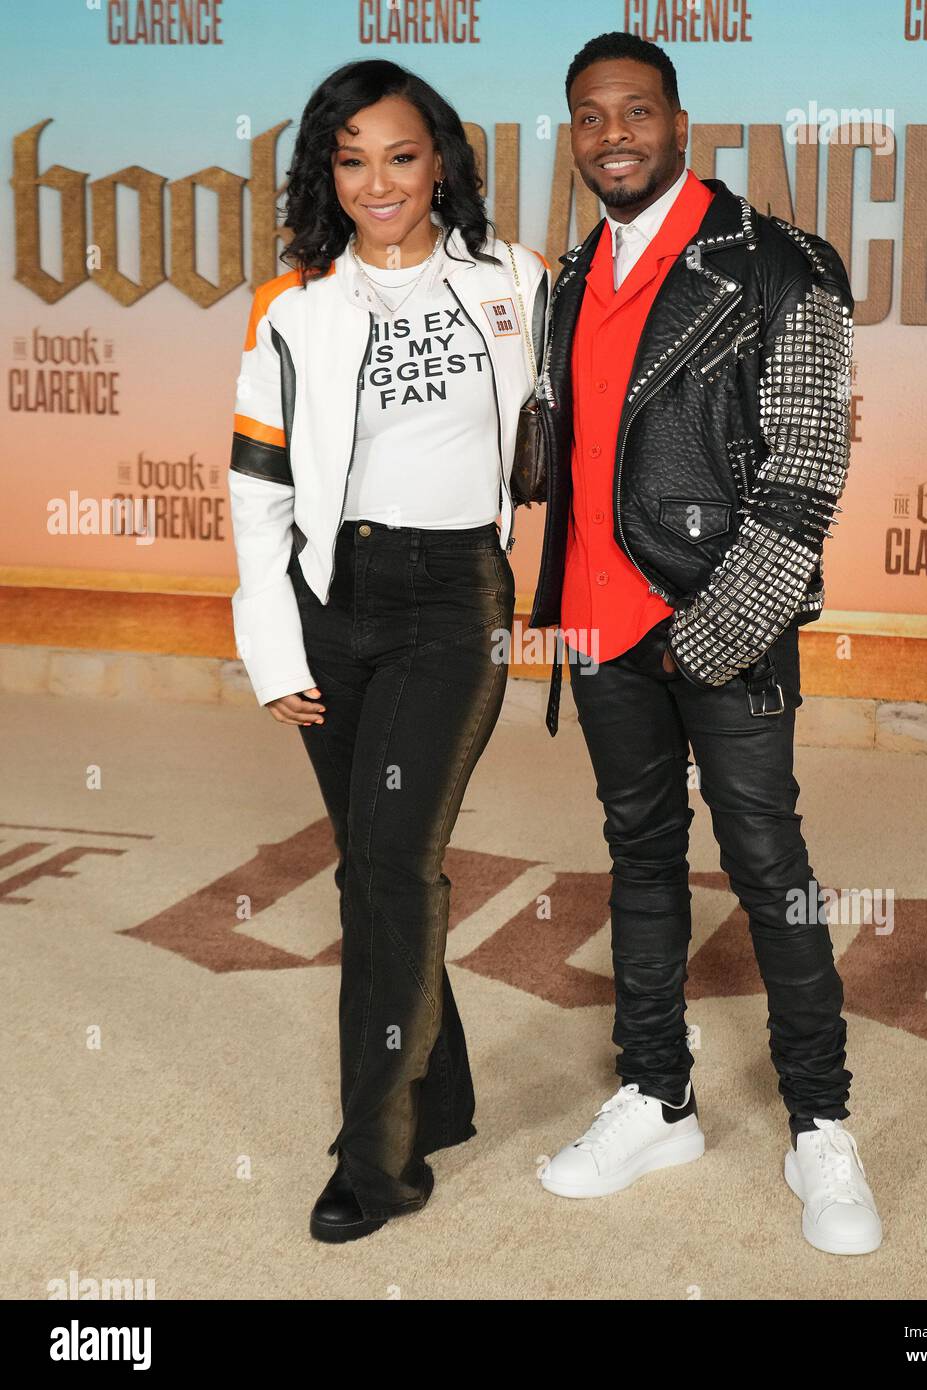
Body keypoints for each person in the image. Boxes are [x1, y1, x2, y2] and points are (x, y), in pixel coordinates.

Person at [528, 31, 882, 1256]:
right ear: (571, 136)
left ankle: (820, 1127)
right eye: (587, 116)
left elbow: (806, 469)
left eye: (633, 112)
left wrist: (723, 626)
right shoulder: (567, 277)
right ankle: (656, 1096)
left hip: (719, 621)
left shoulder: (782, 267)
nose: (610, 134)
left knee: (767, 859)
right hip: (599, 627)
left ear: (680, 124)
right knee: (636, 856)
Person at [227, 59, 549, 1243]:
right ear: (327, 173)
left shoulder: (516, 280)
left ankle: (378, 1158)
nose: (378, 183)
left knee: (391, 867)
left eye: (401, 156)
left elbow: (557, 442)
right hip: (331, 598)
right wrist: (272, 647)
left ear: (442, 162)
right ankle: (442, 1094)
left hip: (451, 601)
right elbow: (255, 492)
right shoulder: (290, 306)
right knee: (371, 863)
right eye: (350, 159)